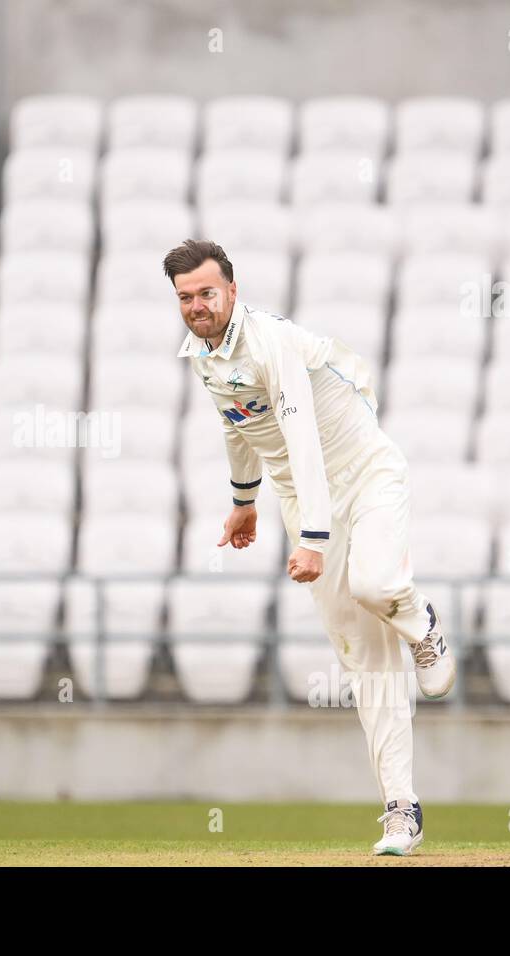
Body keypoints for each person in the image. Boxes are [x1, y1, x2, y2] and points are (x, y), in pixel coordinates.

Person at [166, 239, 453, 857]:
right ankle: (401, 809)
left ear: (233, 291)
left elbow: (300, 435)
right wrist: (245, 501)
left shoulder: (269, 341)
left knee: (374, 584)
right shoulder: (201, 355)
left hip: (362, 473)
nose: (197, 306)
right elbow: (237, 424)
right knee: (362, 657)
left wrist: (313, 541)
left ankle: (421, 621)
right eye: (185, 297)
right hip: (304, 495)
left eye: (207, 293)